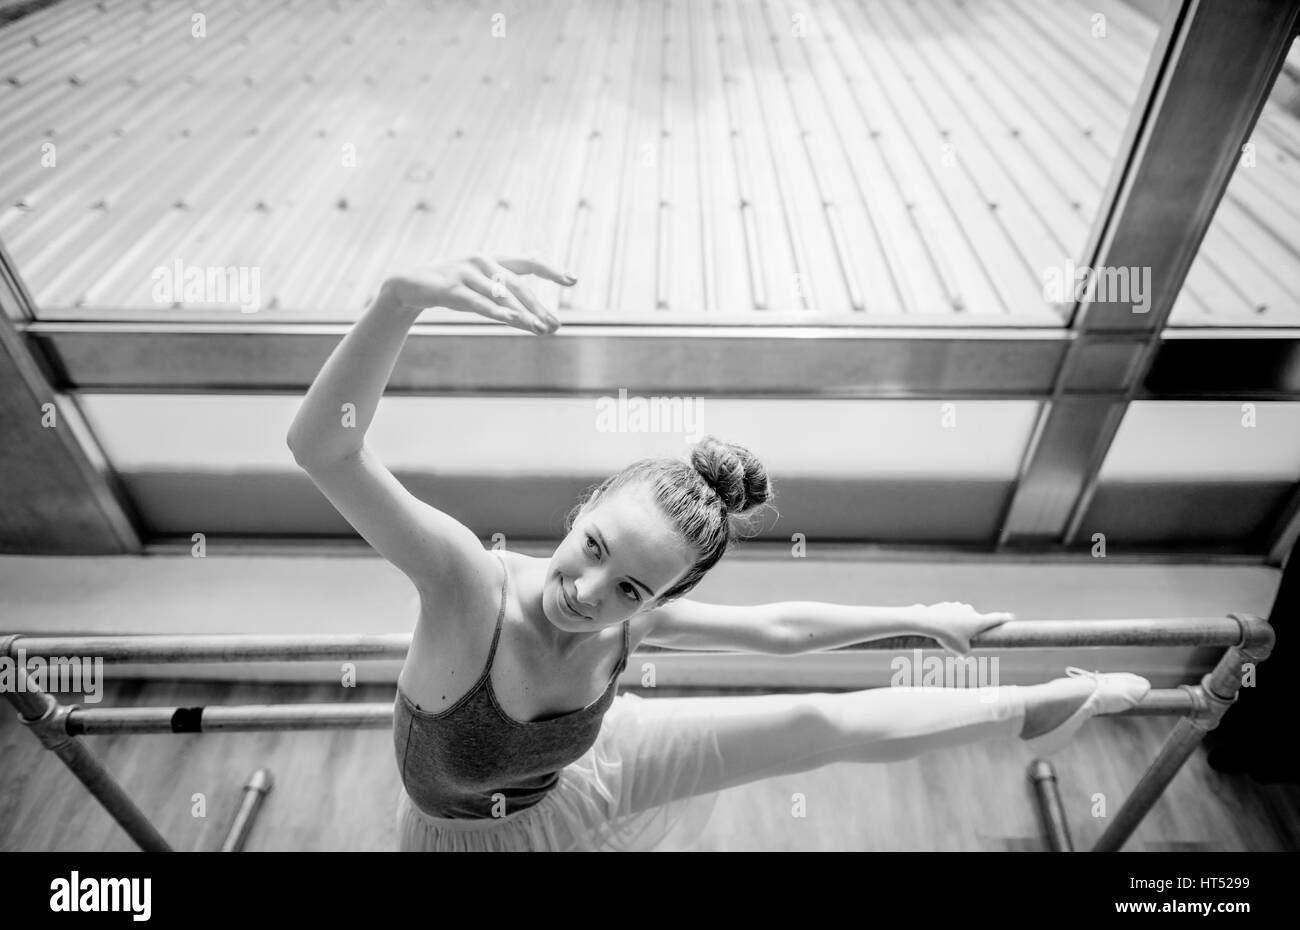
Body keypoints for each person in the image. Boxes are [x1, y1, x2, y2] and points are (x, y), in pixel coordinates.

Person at [286, 254, 1151, 851]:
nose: (587, 593)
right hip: (462, 842)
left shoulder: (630, 630)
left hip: (588, 776)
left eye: (629, 588)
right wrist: (400, 298)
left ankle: (1030, 708)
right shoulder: (464, 583)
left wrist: (921, 620)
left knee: (816, 725)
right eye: (592, 548)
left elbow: (778, 627)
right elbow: (324, 448)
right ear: (584, 506)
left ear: (655, 597)